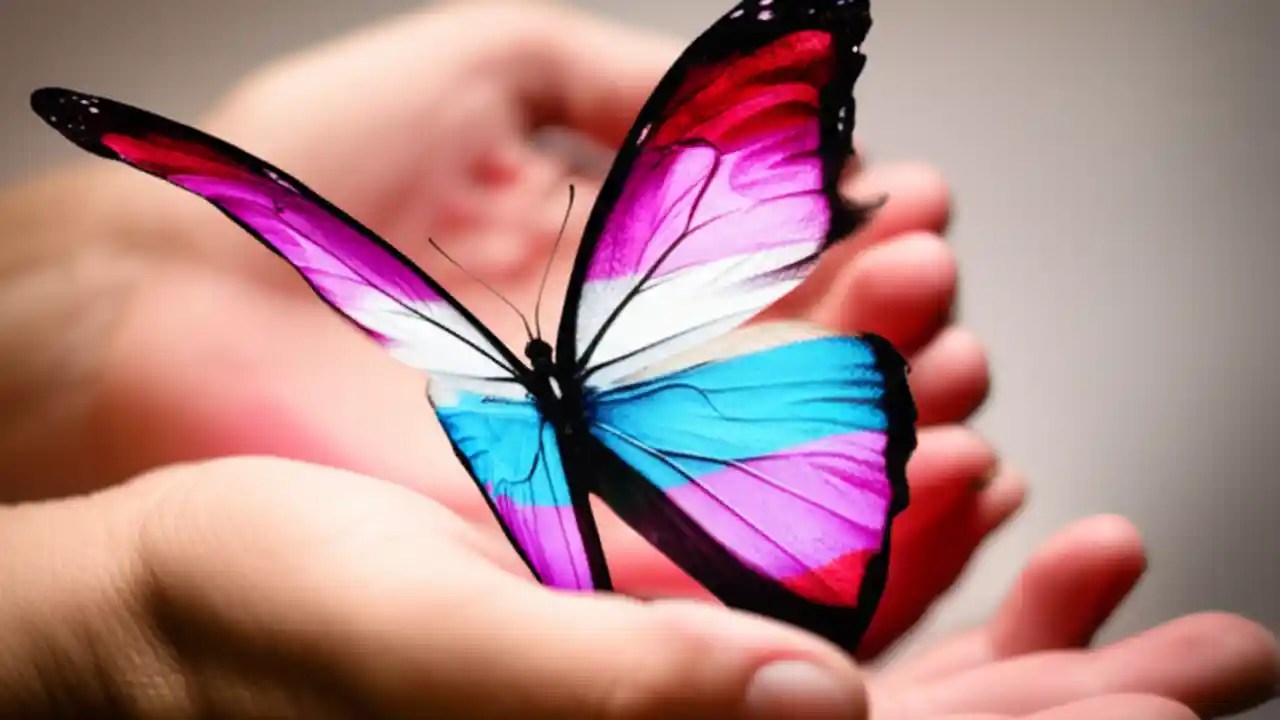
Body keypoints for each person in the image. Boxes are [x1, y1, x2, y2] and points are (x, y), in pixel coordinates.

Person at [0, 4, 1274, 718]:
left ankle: (601, 585)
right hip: (680, 413)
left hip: (541, 436)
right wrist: (106, 620)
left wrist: (94, 295)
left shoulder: (482, 377)